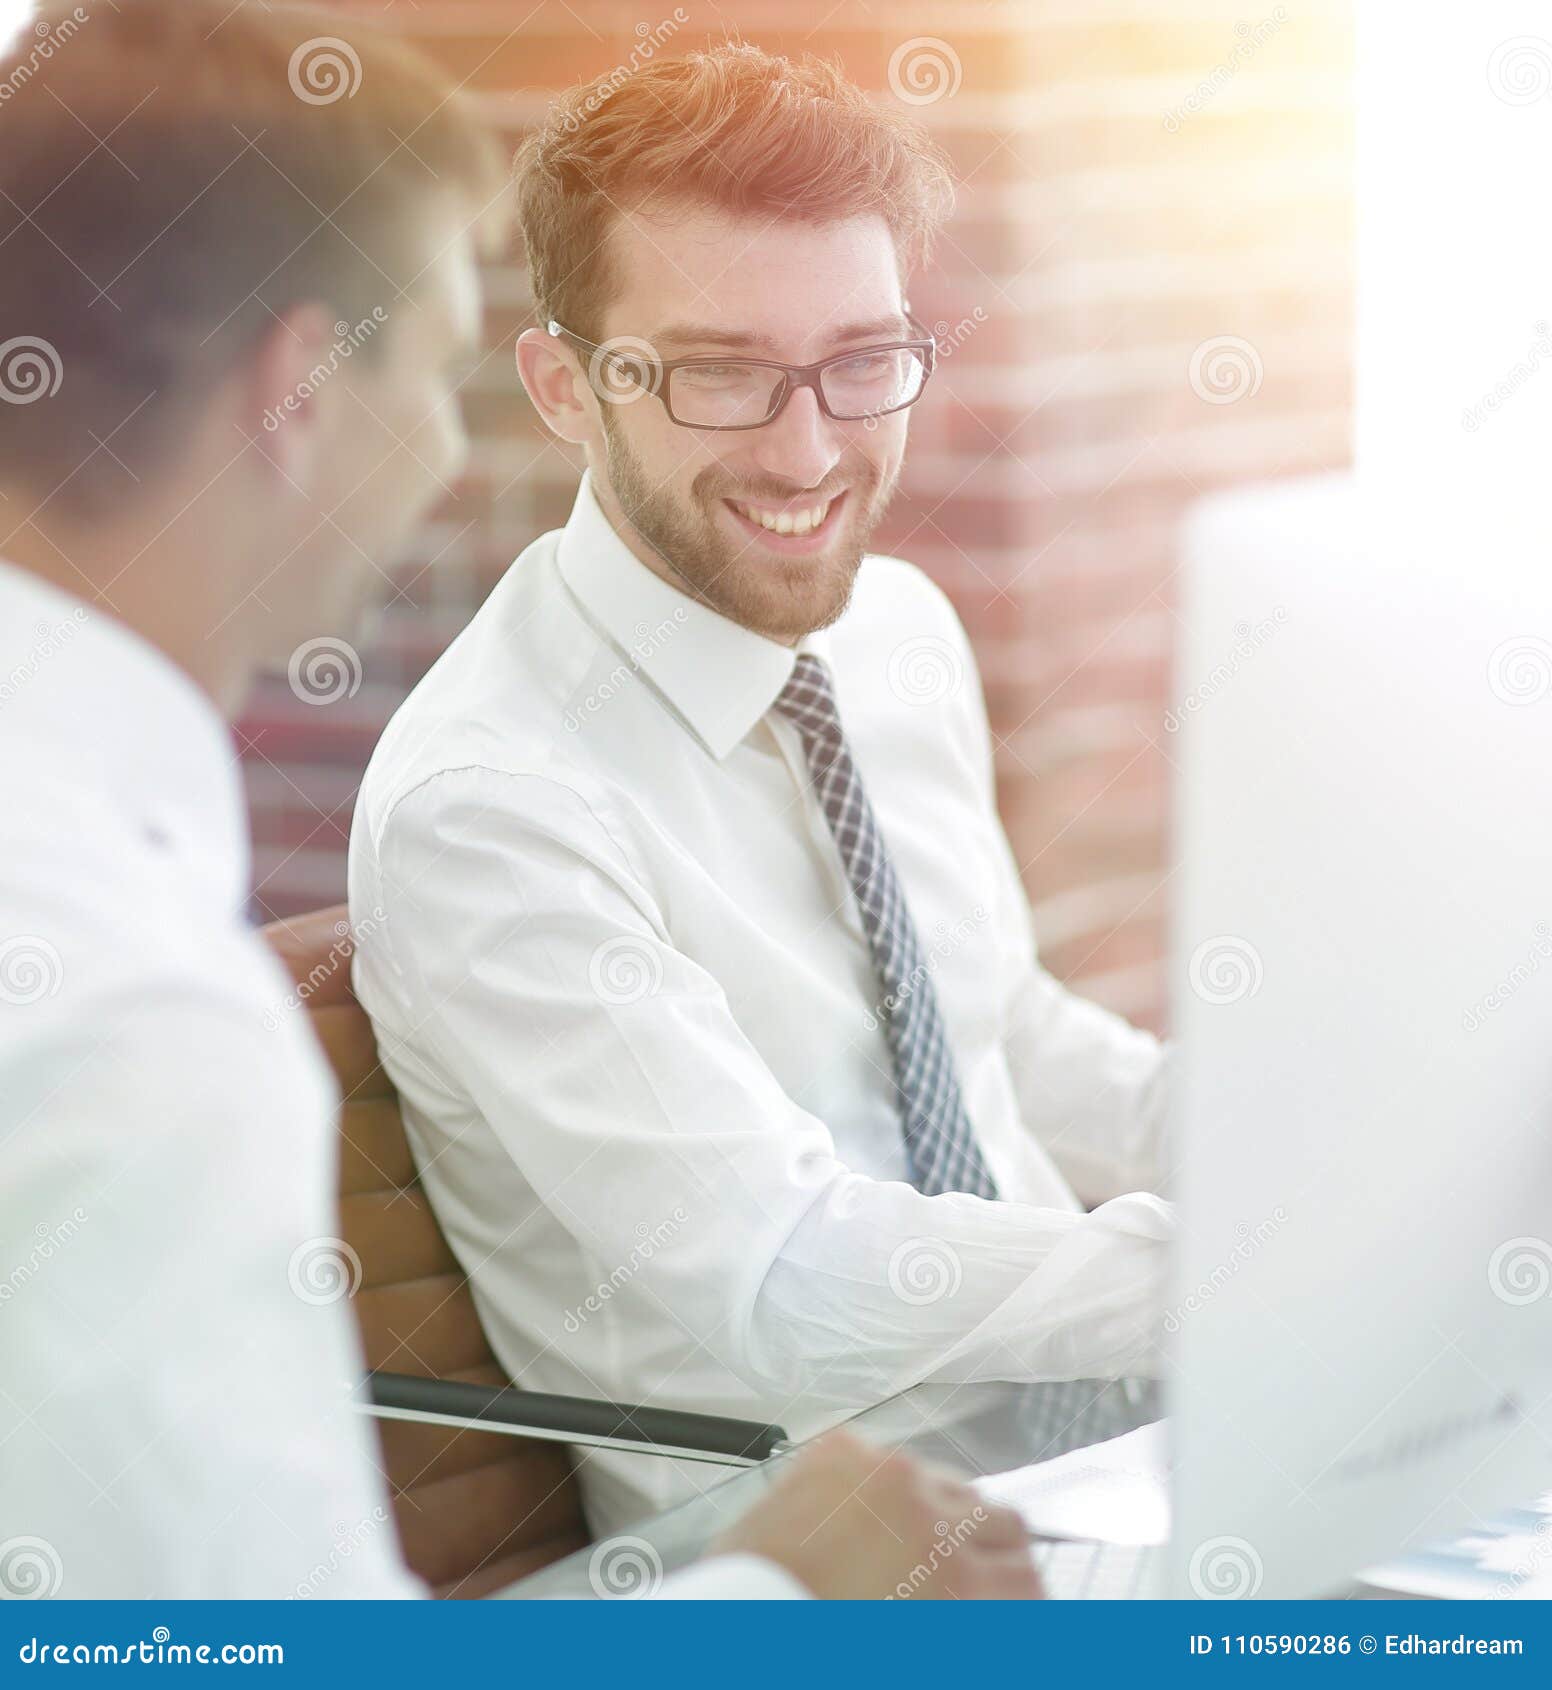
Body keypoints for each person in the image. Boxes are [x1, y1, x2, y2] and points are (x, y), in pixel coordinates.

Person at [0, 0, 1038, 1602]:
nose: (434, 454)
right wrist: (780, 1591)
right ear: (296, 394)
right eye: (429, 366)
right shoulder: (135, 1033)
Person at [348, 41, 1175, 1538]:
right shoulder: (491, 805)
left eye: (862, 361)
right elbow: (782, 1276)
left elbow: (1008, 1031)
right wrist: (1212, 1270)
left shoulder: (900, 628)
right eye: (720, 373)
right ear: (564, 385)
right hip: (807, 1557)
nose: (807, 451)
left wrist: (1297, 1155)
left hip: (1106, 1459)